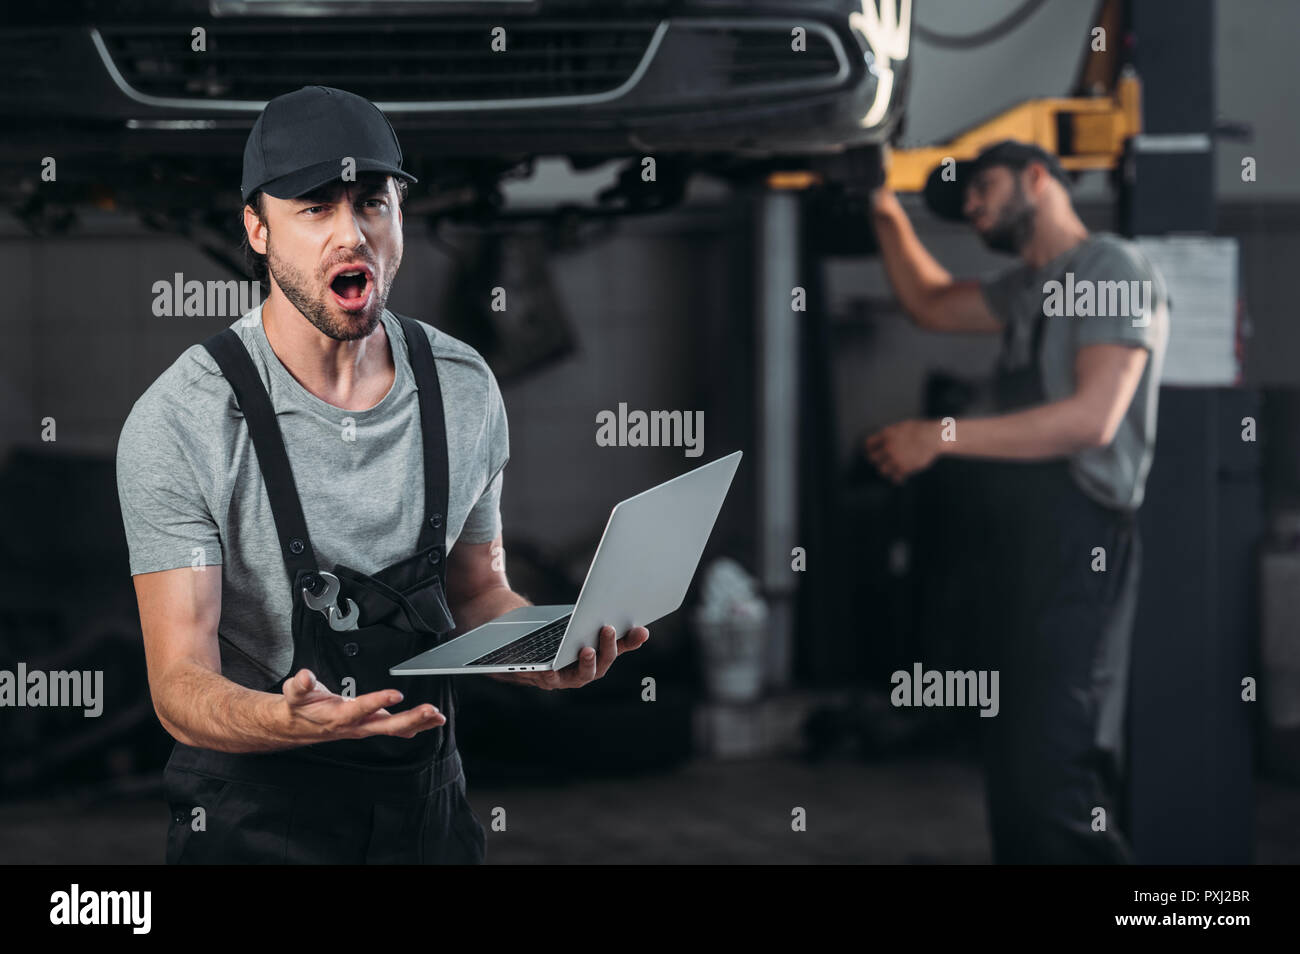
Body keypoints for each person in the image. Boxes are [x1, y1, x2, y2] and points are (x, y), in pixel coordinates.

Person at [115, 86, 648, 865]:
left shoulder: (463, 386)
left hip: (426, 811)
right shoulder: (183, 420)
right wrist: (287, 720)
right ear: (256, 229)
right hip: (257, 817)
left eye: (371, 203)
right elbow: (180, 682)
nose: (349, 234)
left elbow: (475, 593)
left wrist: (543, 647)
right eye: (313, 208)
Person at [865, 140, 1170, 863]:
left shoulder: (1111, 268)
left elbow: (1091, 419)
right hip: (1024, 551)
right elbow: (931, 303)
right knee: (1014, 775)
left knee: (1052, 777)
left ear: (1038, 177)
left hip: (1082, 545)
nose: (971, 205)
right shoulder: (1033, 285)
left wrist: (939, 435)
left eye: (983, 186)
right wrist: (877, 202)